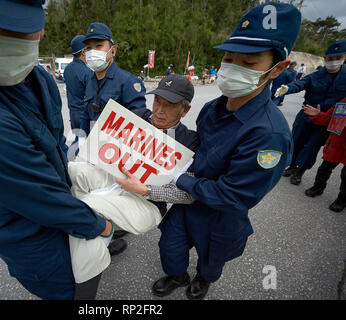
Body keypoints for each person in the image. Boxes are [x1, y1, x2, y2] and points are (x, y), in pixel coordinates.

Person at [0, 0, 113, 300]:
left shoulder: (37, 78)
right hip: (31, 237)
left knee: (86, 270)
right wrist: (102, 225)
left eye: (15, 28)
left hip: (62, 207)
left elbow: (55, 144)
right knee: (69, 289)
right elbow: (40, 198)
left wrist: (71, 172)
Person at [132, 2, 300, 300]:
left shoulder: (269, 134)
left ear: (278, 69)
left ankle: (202, 280)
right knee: (169, 246)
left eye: (248, 64)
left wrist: (179, 178)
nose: (233, 69)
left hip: (222, 214)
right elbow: (197, 151)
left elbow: (234, 195)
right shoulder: (213, 108)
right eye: (228, 58)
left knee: (212, 261)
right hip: (188, 205)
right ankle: (177, 275)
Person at [69, 74, 199, 284]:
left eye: (169, 105)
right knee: (72, 170)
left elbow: (188, 195)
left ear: (185, 110)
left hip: (146, 203)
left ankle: (82, 281)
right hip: (113, 181)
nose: (158, 110)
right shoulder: (136, 116)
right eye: (157, 100)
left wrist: (146, 189)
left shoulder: (189, 142)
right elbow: (99, 148)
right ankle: (98, 235)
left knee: (84, 209)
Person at [80, 22, 148, 255]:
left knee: (118, 192)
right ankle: (107, 227)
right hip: (95, 151)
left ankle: (117, 228)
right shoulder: (90, 80)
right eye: (88, 48)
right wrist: (82, 144)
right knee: (98, 193)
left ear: (113, 50)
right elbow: (84, 114)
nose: (93, 52)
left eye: (99, 45)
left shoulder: (128, 81)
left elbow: (139, 124)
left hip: (119, 154)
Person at [275, 40, 346, 185]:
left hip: (326, 119)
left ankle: (300, 171)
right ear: (325, 58)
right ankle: (292, 166)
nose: (333, 61)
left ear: (343, 57)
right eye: (330, 58)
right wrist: (287, 89)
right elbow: (300, 83)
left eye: (337, 58)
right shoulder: (317, 75)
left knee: (312, 147)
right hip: (306, 115)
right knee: (297, 141)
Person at [303, 98, 346, 212]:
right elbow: (330, 119)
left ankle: (342, 199)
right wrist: (318, 114)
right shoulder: (344, 102)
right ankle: (318, 187)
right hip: (337, 143)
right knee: (324, 168)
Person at [63, 35, 93, 144]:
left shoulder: (67, 69)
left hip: (73, 113)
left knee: (77, 141)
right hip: (83, 114)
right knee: (87, 145)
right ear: (84, 52)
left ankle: (70, 159)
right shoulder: (87, 72)